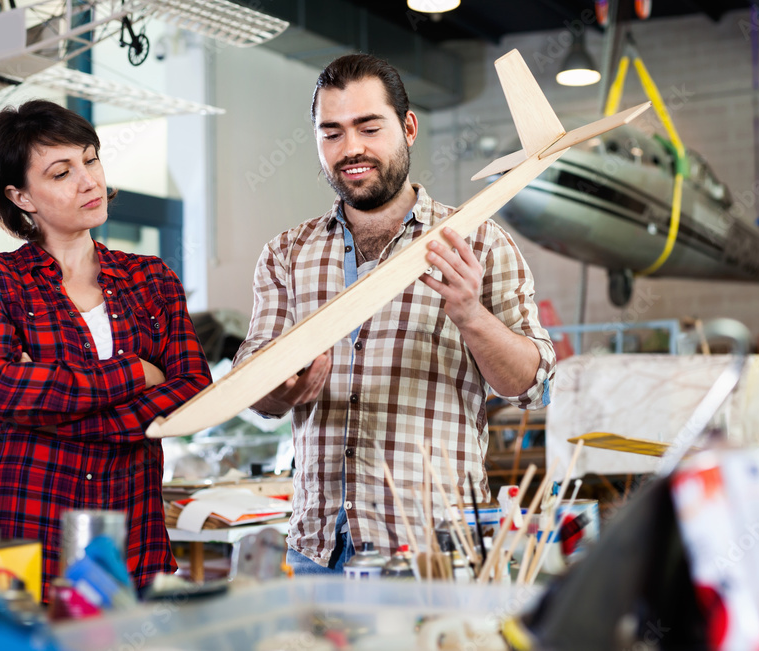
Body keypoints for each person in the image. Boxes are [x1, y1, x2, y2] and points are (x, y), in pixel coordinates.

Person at [233, 54, 556, 574]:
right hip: (317, 551)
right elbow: (252, 387)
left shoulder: (478, 243)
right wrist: (279, 389)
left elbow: (529, 386)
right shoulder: (286, 254)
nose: (351, 149)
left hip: (432, 553)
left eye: (368, 127)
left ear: (407, 127)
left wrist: (471, 314)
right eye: (331, 132)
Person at [0, 100, 212, 598]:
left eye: (91, 159)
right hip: (16, 519)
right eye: (62, 172)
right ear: (21, 196)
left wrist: (53, 411)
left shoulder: (151, 280)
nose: (89, 180)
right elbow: (0, 390)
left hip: (126, 525)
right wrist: (137, 372)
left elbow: (194, 389)